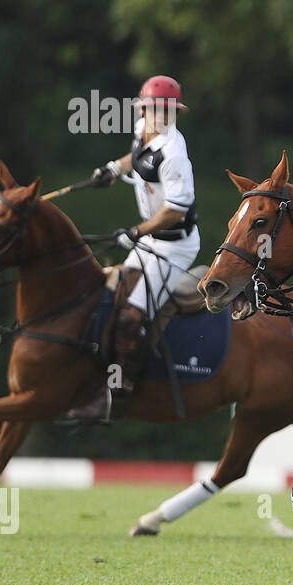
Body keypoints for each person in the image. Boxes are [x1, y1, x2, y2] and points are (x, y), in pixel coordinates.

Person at [67, 75, 200, 422]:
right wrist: (115, 168)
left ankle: (119, 393)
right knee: (111, 298)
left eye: (168, 110)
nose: (161, 116)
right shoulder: (143, 128)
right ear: (143, 110)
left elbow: (176, 210)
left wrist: (136, 232)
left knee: (131, 317)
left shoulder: (174, 155)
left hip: (175, 247)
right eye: (155, 109)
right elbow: (138, 155)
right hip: (150, 238)